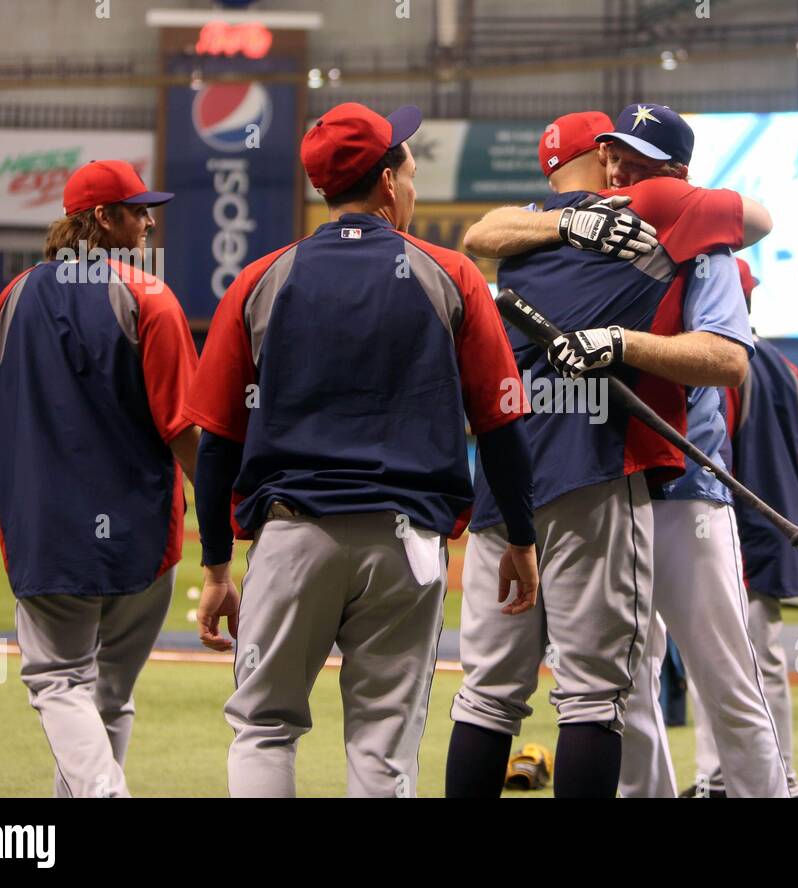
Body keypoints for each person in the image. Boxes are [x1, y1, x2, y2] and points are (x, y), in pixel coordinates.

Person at [185, 103, 538, 798]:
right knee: (383, 745)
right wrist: (522, 540)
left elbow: (216, 441)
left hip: (291, 535)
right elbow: (500, 426)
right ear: (384, 183)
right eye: (407, 171)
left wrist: (216, 567)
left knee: (263, 725)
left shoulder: (260, 280)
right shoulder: (453, 276)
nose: (411, 185)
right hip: (405, 541)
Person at [450, 103, 784, 798]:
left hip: (679, 482)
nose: (619, 165)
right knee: (614, 688)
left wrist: (620, 343)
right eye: (612, 152)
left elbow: (732, 342)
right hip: (596, 475)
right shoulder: (564, 227)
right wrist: (567, 221)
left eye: (633, 155)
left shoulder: (682, 217)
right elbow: (481, 232)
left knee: (719, 679)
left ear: (673, 173)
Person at [0, 160, 199, 797]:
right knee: (109, 696)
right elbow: (185, 432)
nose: (148, 220)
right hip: (143, 540)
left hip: (50, 538)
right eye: (136, 209)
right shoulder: (152, 299)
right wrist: (225, 523)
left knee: (61, 683)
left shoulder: (14, 299)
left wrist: (17, 502)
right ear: (102, 219)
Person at [683, 257, 798, 798]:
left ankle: (728, 779)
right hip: (781, 529)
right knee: (762, 659)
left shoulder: (722, 363)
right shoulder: (786, 367)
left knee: (722, 663)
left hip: (738, 532)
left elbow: (720, 457)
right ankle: (776, 775)